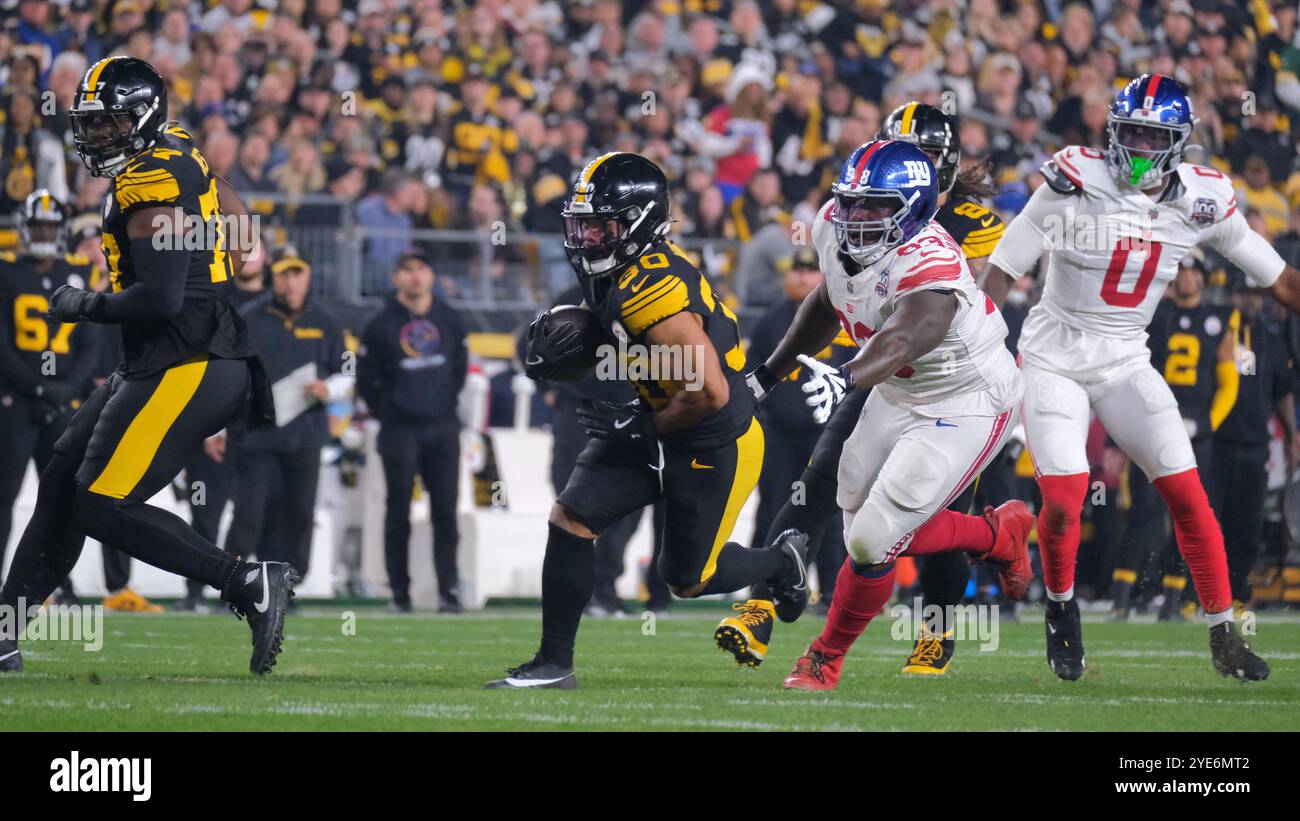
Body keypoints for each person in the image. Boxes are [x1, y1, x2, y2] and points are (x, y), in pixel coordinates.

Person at [982, 73, 1300, 681]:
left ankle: (1223, 633)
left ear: (1180, 143)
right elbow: (1000, 271)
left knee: (1187, 493)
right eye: (1129, 133)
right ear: (1111, 132)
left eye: (1154, 137)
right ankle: (1060, 610)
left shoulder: (1202, 199)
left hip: (1126, 358)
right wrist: (982, 347)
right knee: (1067, 499)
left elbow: (1280, 280)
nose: (1139, 148)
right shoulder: (1073, 177)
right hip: (1054, 356)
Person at [0, 57, 293, 676]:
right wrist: (211, 268)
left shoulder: (149, 183)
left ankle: (245, 580)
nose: (95, 136)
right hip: (172, 354)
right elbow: (245, 237)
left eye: (108, 124)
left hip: (186, 359)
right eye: (91, 123)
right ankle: (2, 631)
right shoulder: (180, 147)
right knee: (60, 482)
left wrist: (85, 304)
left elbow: (159, 298)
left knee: (100, 502)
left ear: (141, 117)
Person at [487, 152, 810, 689]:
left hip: (713, 435)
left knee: (686, 578)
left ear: (637, 222)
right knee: (571, 518)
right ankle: (552, 665)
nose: (585, 238)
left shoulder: (648, 291)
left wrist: (642, 426)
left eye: (599, 226)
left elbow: (705, 391)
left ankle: (780, 563)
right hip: (660, 413)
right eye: (581, 225)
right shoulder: (618, 270)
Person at [744, 139, 1031, 692]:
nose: (856, 217)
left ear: (915, 207)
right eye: (851, 202)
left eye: (875, 206)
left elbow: (903, 337)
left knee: (875, 538)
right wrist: (766, 375)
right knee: (857, 520)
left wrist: (847, 376)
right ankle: (997, 535)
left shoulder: (932, 260)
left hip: (966, 397)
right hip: (897, 394)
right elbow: (830, 300)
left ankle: (824, 657)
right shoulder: (831, 225)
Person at [1111, 253, 1237, 621]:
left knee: (1189, 514)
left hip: (1196, 433)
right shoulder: (1154, 315)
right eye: (1180, 270)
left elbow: (1230, 382)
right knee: (1143, 512)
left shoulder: (1220, 321)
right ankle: (1122, 597)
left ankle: (1174, 598)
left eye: (1192, 271)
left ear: (1204, 277)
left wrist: (1206, 424)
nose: (1185, 278)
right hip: (1154, 424)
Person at [223, 246, 351, 589]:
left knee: (298, 512)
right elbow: (228, 372)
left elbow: (347, 373)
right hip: (257, 433)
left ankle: (285, 585)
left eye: (297, 274)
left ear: (308, 277)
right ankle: (229, 581)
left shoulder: (327, 322)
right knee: (249, 513)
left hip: (305, 434)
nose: (291, 282)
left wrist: (329, 389)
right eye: (284, 274)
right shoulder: (249, 317)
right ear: (272, 276)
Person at [357, 253, 467, 613]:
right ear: (396, 277)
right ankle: (399, 594)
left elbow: (459, 372)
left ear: (431, 274)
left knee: (446, 512)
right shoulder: (378, 324)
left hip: (442, 426)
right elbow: (367, 380)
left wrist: (440, 405)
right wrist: (389, 409)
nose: (415, 277)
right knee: (397, 511)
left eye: (421, 268)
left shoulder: (451, 319)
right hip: (399, 428)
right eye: (407, 270)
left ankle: (449, 592)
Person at [0, 191, 97, 594]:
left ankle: (60, 582)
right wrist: (40, 386)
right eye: (37, 225)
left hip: (62, 400)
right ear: (24, 228)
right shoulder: (6, 272)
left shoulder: (77, 272)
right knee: (4, 495)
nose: (43, 233)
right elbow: (1, 344)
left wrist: (68, 389)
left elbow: (91, 344)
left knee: (62, 499)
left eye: (49, 226)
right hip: (17, 400)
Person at [745, 247, 852, 612]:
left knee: (827, 511)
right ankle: (762, 590)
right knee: (772, 508)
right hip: (778, 434)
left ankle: (831, 592)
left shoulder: (838, 318)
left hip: (824, 432)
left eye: (811, 271)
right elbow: (752, 377)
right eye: (798, 271)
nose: (803, 277)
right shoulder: (770, 322)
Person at [177, 239, 269, 611]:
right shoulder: (215, 297)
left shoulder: (275, 308)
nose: (248, 255)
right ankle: (195, 591)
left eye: (255, 248)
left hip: (253, 430)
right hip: (212, 422)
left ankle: (233, 588)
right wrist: (212, 425)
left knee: (247, 515)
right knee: (205, 513)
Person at [1210, 283, 1296, 609]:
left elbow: (1283, 392)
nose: (1250, 301)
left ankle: (1235, 591)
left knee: (1247, 526)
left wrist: (1292, 436)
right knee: (1209, 522)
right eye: (1244, 294)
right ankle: (1194, 592)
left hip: (1254, 446)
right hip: (1216, 444)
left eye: (1256, 295)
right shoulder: (1216, 334)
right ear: (1232, 296)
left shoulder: (1272, 342)